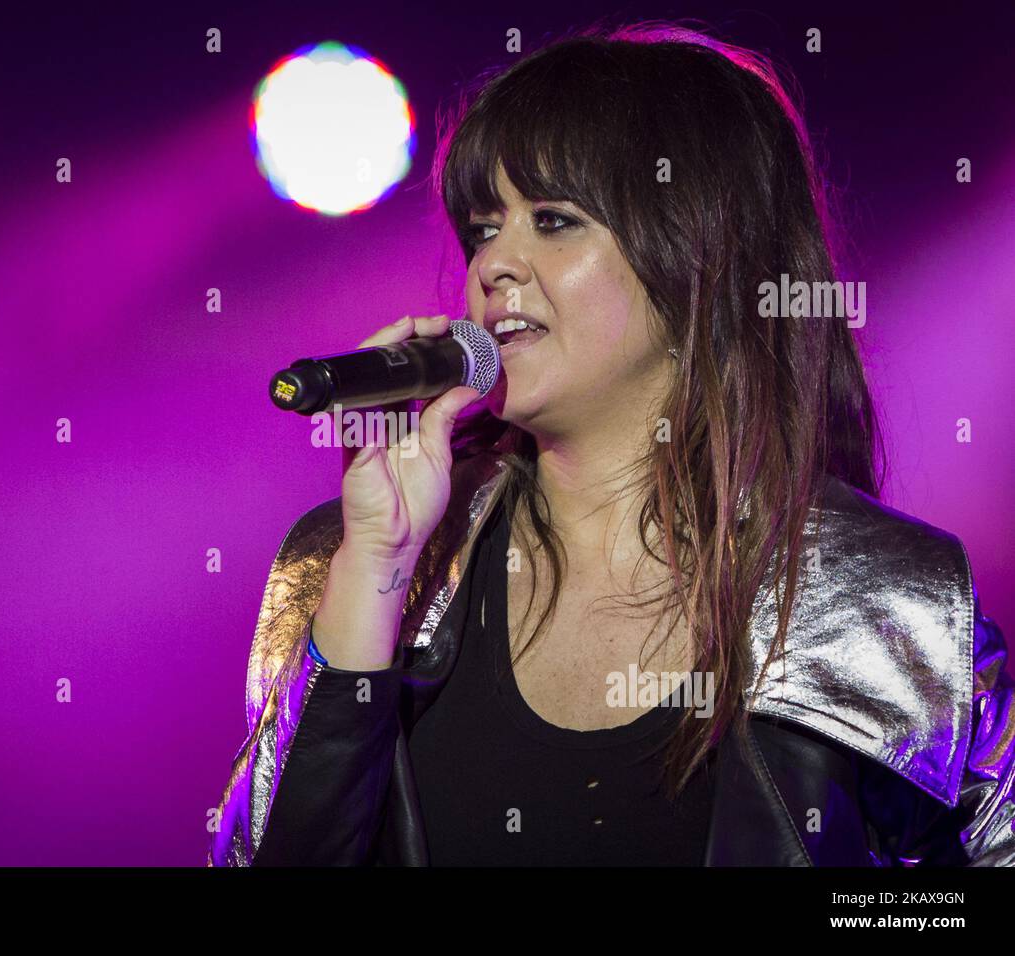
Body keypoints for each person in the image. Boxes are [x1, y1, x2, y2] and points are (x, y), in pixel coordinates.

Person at [207, 22, 1015, 866]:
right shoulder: (350, 565)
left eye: (553, 220)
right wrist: (377, 568)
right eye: (485, 228)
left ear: (702, 257)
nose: (493, 266)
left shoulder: (889, 601)